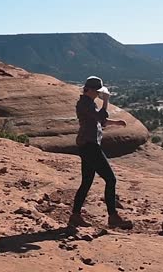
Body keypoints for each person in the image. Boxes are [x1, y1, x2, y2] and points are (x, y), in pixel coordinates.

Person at [69, 76, 133, 229]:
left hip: (88, 145)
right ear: (90, 90)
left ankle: (75, 216)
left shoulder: (88, 103)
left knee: (86, 182)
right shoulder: (85, 103)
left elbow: (99, 120)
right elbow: (100, 116)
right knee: (111, 179)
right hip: (90, 146)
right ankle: (113, 216)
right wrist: (106, 101)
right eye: (97, 91)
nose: (99, 94)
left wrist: (115, 122)